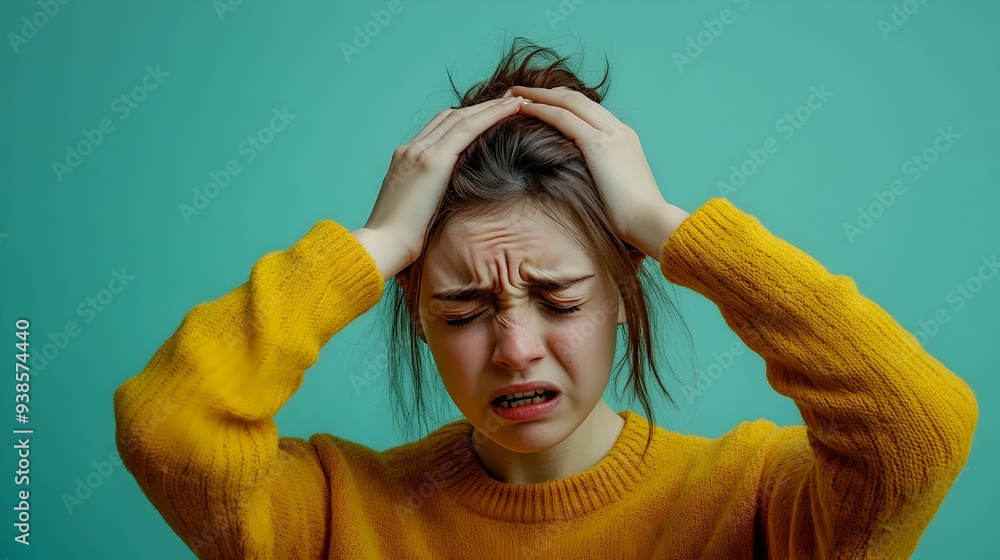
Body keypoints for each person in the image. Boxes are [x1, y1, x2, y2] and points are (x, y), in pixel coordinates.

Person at [113, 38, 978, 559]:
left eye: (560, 301)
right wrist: (373, 249)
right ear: (416, 311)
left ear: (623, 290)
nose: (516, 348)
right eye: (463, 311)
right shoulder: (337, 517)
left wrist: (666, 227)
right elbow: (168, 422)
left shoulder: (754, 505)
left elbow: (917, 424)